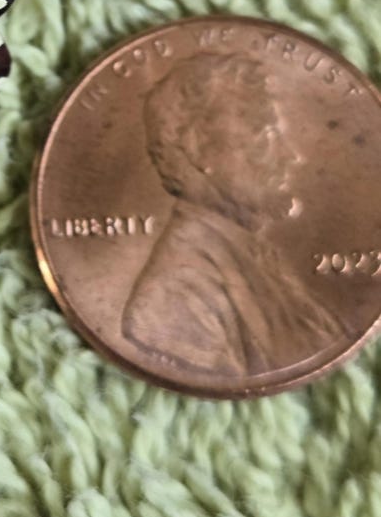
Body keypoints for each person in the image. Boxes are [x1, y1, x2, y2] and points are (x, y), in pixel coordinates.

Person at [121, 52, 347, 377]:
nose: (292, 156)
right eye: (264, 133)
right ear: (199, 150)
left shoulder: (259, 259)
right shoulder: (174, 296)